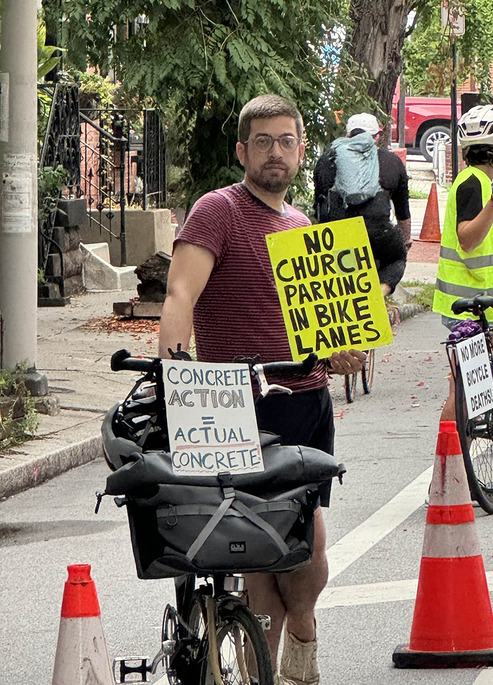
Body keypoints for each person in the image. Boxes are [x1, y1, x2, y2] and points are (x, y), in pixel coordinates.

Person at [159, 94, 365, 684]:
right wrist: (177, 376)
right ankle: (263, 670)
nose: (276, 152)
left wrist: (341, 350)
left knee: (305, 543)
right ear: (244, 150)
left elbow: (323, 325)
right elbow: (179, 297)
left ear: (302, 151)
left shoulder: (301, 224)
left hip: (305, 400)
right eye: (264, 142)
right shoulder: (216, 211)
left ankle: (302, 632)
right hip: (231, 403)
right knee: (253, 547)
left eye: (286, 141)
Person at [432, 104, 493, 330]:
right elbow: (468, 240)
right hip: (470, 305)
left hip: (486, 299)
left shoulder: (486, 181)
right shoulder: (473, 184)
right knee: (484, 367)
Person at [313, 113, 410, 300]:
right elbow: (403, 212)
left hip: (335, 234)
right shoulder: (391, 161)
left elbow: (319, 205)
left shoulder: (326, 160)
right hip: (377, 232)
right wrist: (405, 242)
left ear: (348, 135)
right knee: (396, 258)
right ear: (377, 136)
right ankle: (378, 293)